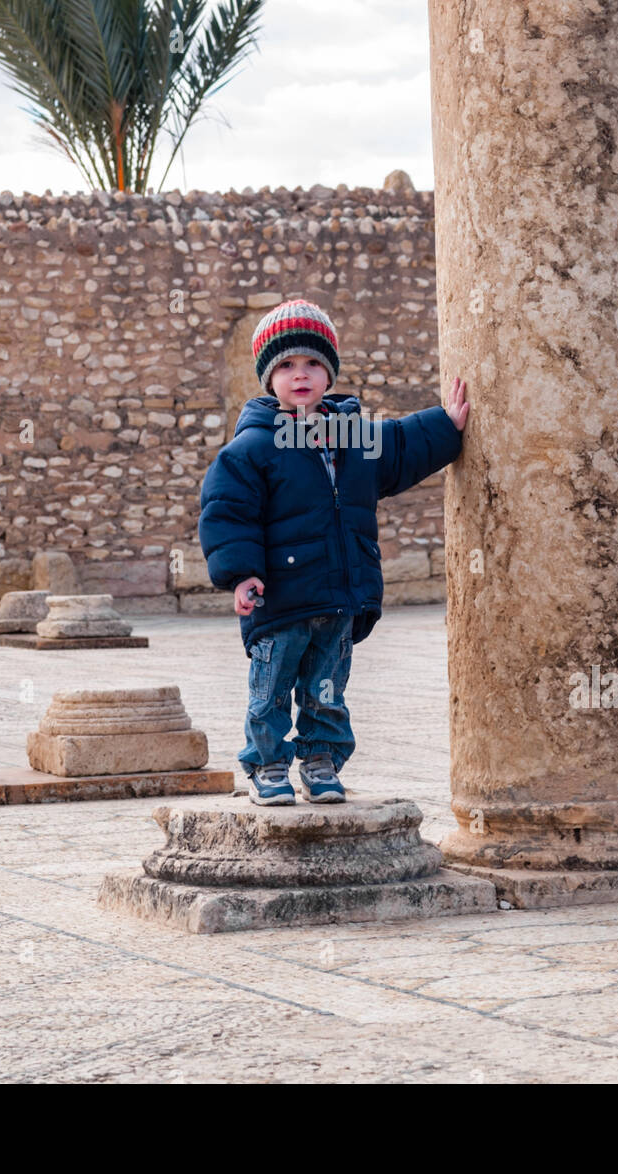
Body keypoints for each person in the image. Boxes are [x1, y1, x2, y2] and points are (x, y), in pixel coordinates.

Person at [198, 298, 469, 806]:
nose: (300, 375)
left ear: (329, 373)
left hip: (339, 597)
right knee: (272, 690)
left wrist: (446, 425)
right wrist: (240, 575)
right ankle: (268, 765)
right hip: (279, 599)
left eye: (313, 364)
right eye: (286, 365)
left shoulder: (355, 438)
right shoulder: (251, 448)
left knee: (327, 689)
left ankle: (321, 760)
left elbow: (403, 445)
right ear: (268, 377)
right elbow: (226, 513)